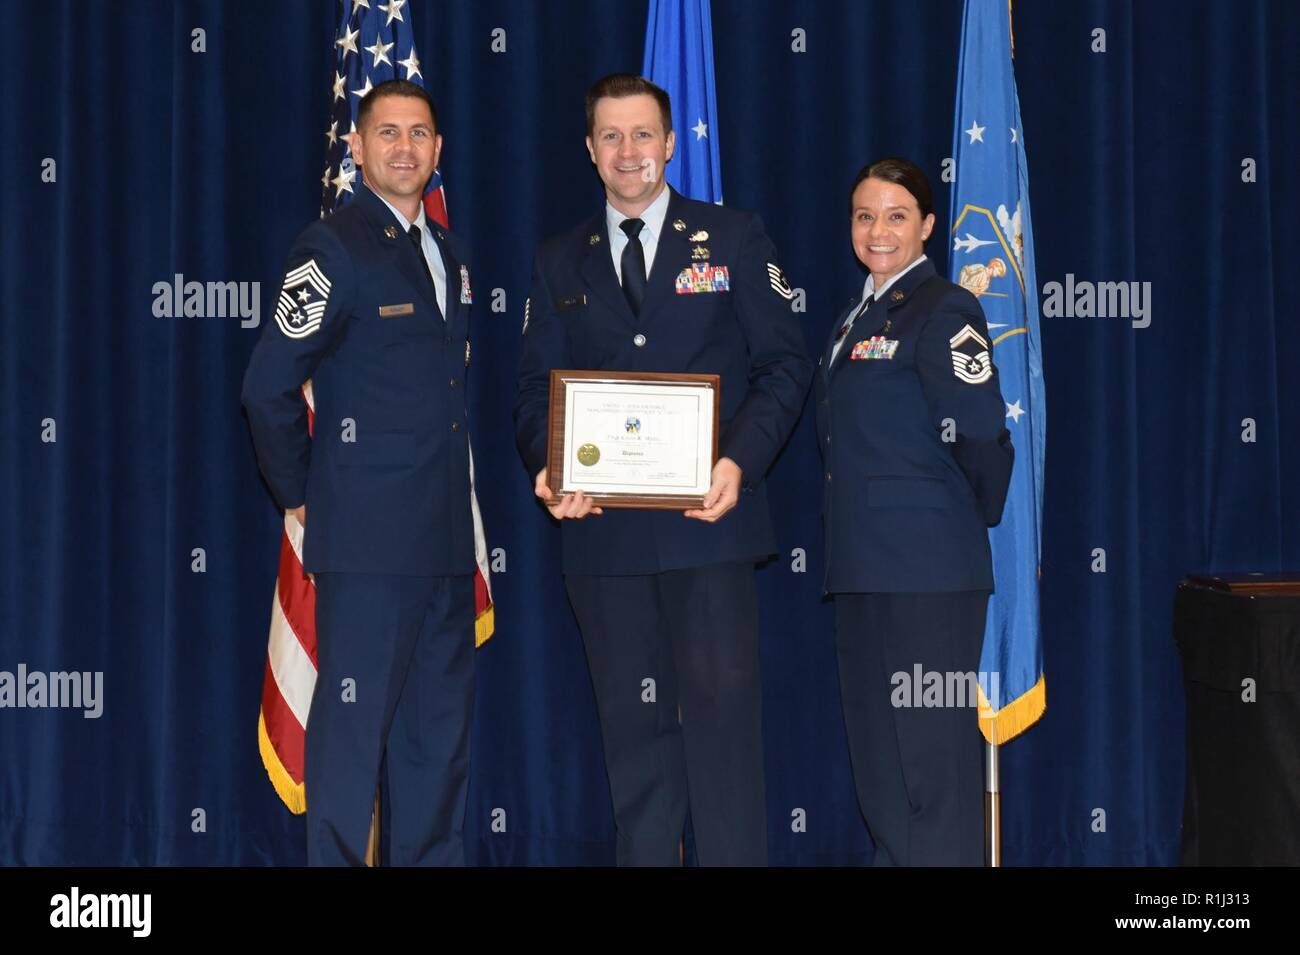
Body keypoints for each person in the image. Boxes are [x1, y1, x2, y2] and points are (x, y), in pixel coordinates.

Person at [513, 73, 812, 866]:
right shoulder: (556, 261)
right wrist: (548, 466)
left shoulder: (736, 237)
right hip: (605, 544)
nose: (629, 152)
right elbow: (532, 391)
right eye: (611, 136)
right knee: (633, 743)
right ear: (589, 150)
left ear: (671, 142)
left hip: (707, 531)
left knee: (722, 741)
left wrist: (739, 461)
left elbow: (786, 363)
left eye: (643, 134)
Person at [242, 80, 478, 866]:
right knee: (349, 754)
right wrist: (302, 495)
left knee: (434, 751)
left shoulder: (446, 252)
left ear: (438, 151)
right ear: (358, 147)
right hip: (368, 553)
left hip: (446, 545)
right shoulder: (331, 246)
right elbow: (266, 385)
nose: (405, 148)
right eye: (388, 134)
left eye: (420, 134)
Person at [815, 158, 1014, 866]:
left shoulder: (945, 308)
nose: (878, 230)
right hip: (864, 572)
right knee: (880, 773)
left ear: (927, 225)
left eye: (896, 215)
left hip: (929, 577)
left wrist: (957, 521)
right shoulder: (854, 315)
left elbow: (983, 434)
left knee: (935, 772)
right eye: (865, 215)